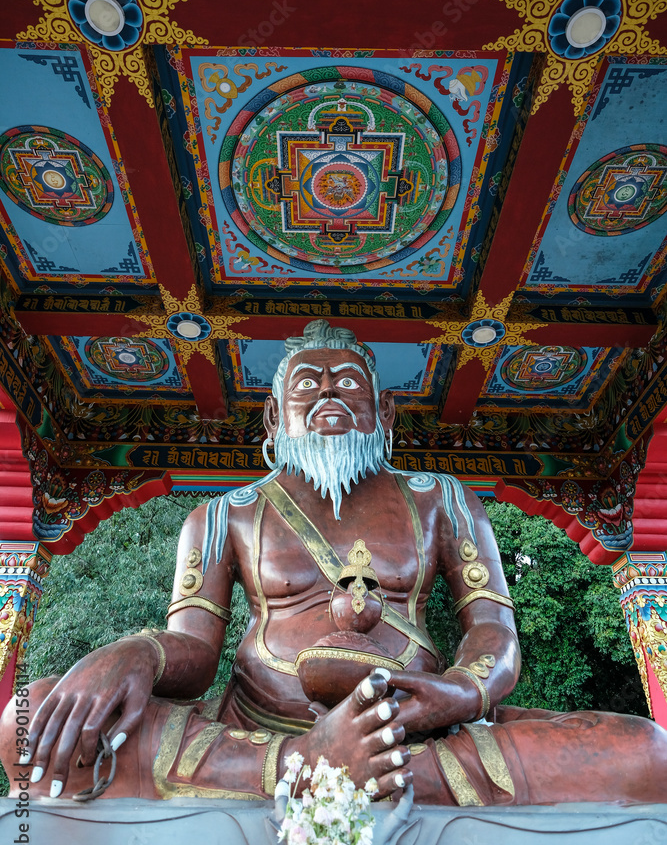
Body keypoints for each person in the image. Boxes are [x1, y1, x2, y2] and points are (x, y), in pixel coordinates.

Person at [2, 321, 666, 805]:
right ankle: (307, 761)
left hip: (419, 733)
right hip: (256, 726)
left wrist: (463, 691)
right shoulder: (223, 514)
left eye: (347, 383)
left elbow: (492, 629)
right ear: (272, 416)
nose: (328, 395)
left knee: (646, 753)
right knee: (26, 720)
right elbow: (194, 652)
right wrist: (138, 653)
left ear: (383, 410)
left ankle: (347, 767)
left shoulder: (442, 499)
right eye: (307, 385)